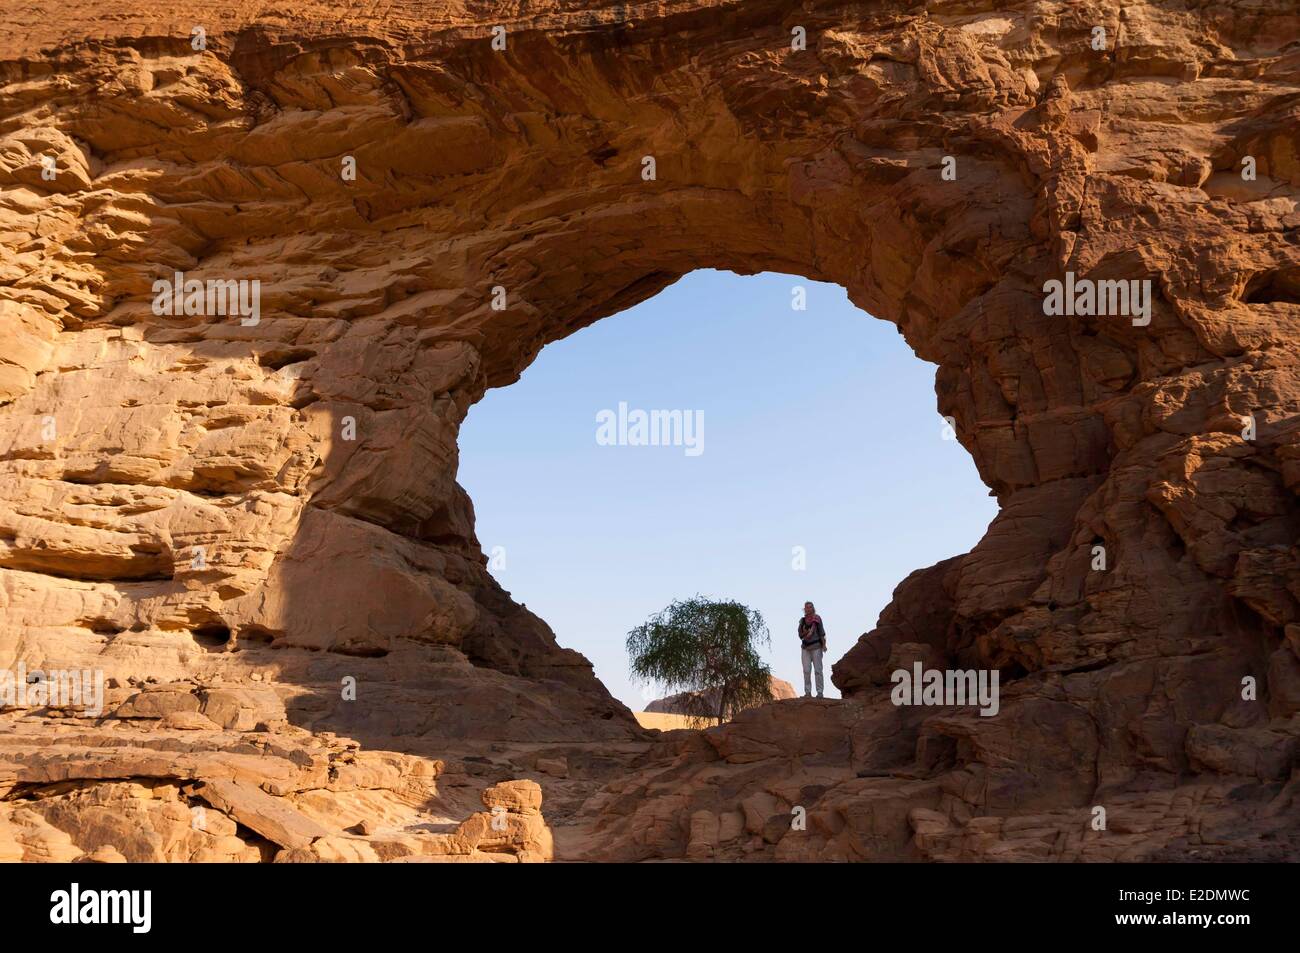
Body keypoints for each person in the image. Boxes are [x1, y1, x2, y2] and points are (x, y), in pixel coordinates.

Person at [798, 601, 827, 698]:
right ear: (804, 609)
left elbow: (822, 632)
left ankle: (820, 692)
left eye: (810, 607)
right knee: (806, 670)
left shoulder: (817, 618)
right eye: (807, 607)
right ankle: (808, 692)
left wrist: (824, 645)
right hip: (805, 647)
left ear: (813, 608)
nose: (808, 609)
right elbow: (800, 635)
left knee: (818, 670)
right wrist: (805, 633)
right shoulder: (802, 621)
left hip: (816, 647)